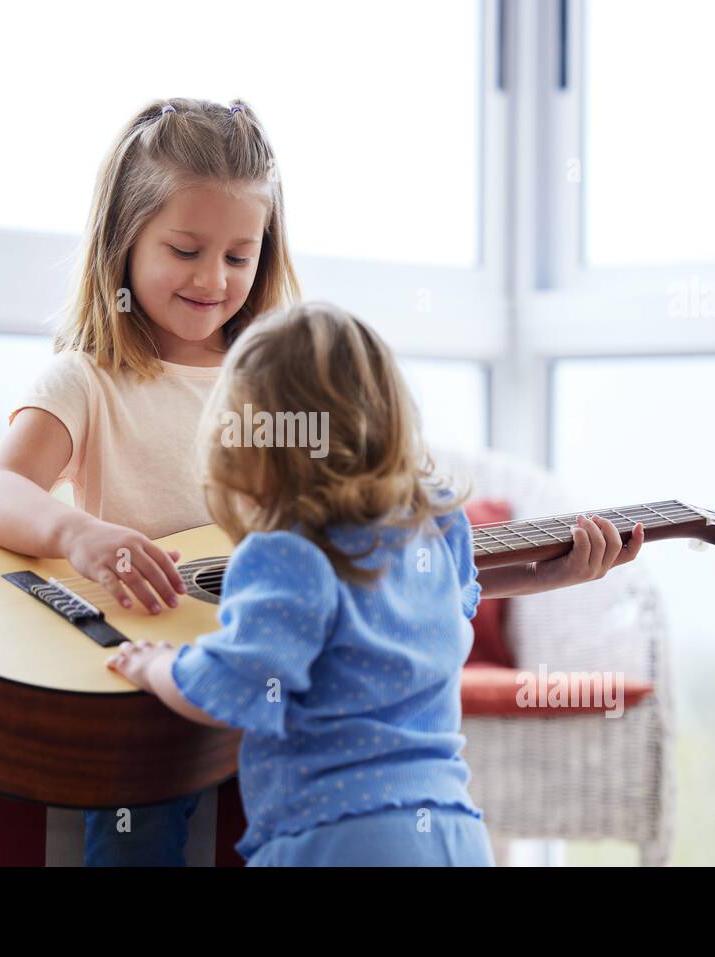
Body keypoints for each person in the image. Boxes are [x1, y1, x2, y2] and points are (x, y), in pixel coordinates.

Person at [106, 301, 645, 865]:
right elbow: (454, 593)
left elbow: (230, 689)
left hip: (339, 835)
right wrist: (549, 575)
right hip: (455, 832)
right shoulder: (431, 527)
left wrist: (155, 665)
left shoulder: (288, 554)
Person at [0, 97, 300, 865]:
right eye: (185, 249)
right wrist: (77, 533)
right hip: (145, 682)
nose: (214, 278)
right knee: (138, 821)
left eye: (239, 256)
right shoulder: (87, 380)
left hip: (262, 665)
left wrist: (541, 564)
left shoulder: (278, 382)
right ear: (125, 242)